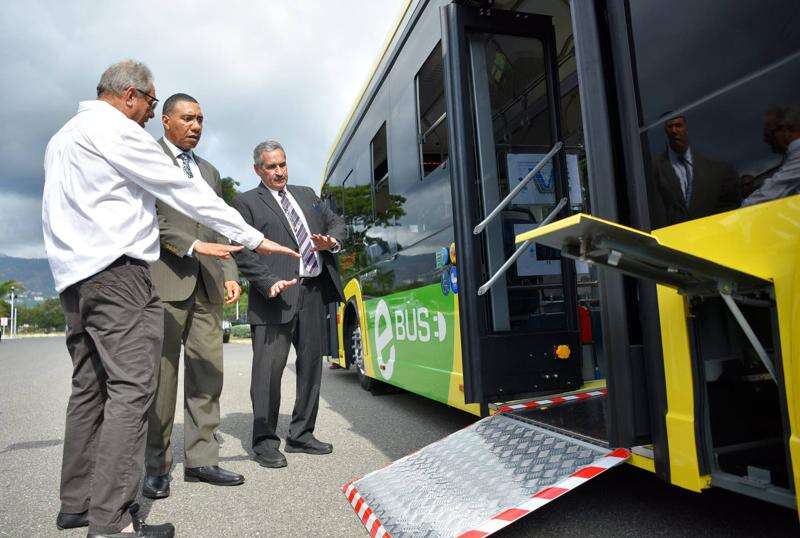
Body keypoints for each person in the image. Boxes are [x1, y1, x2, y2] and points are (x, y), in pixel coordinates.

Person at [42, 61, 297, 538]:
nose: (150, 112)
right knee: (134, 390)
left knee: (90, 388)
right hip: (123, 279)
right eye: (155, 104)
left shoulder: (63, 138)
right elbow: (184, 194)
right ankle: (113, 520)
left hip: (77, 279)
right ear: (132, 97)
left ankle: (76, 504)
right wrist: (256, 238)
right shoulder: (121, 133)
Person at [142, 93, 244, 501]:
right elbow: (148, 218)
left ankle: (202, 460)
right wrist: (191, 246)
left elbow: (218, 225)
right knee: (161, 380)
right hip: (165, 281)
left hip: (208, 285)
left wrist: (231, 273)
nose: (196, 126)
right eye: (188, 118)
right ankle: (156, 465)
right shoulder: (145, 159)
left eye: (201, 119)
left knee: (207, 374)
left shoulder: (210, 172)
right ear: (165, 121)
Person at [232, 140, 345, 469]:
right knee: (268, 371)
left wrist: (332, 240)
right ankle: (265, 440)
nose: (279, 171)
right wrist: (268, 283)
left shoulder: (308, 194)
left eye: (282, 164)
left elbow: (336, 222)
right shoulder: (246, 203)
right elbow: (241, 249)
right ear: (258, 170)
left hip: (313, 292)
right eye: (271, 166)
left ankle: (302, 434)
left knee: (311, 366)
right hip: (274, 296)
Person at [650, 115, 739, 226]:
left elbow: (728, 206)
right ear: (665, 131)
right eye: (670, 127)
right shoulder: (653, 169)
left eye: (678, 125)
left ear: (686, 128)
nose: (674, 130)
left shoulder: (714, 167)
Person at [742, 105, 800, 207]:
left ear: (787, 130)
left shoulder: (798, 152)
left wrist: (734, 215)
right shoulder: (788, 159)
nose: (766, 140)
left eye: (770, 133)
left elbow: (768, 195)